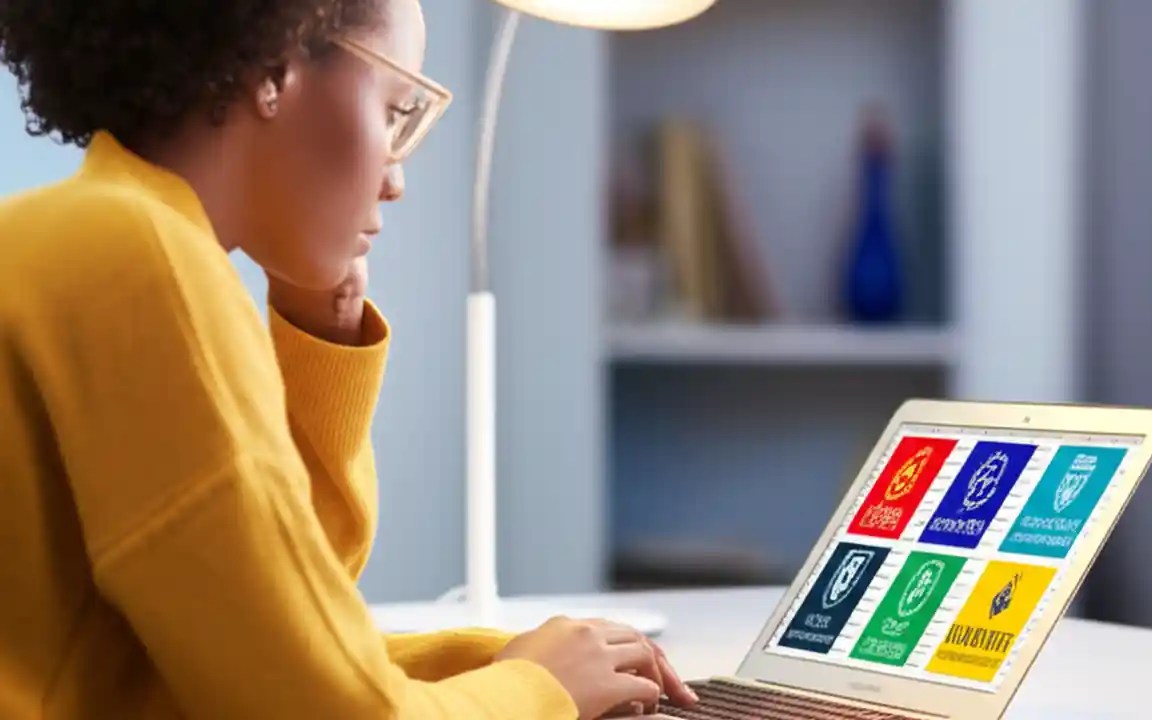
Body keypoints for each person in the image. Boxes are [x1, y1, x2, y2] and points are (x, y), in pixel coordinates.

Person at [0, 0, 699, 717]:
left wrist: (489, 661)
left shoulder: (90, 237)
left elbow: (267, 639)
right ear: (276, 65)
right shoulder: (140, 257)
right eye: (398, 110)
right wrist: (539, 690)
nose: (396, 178)